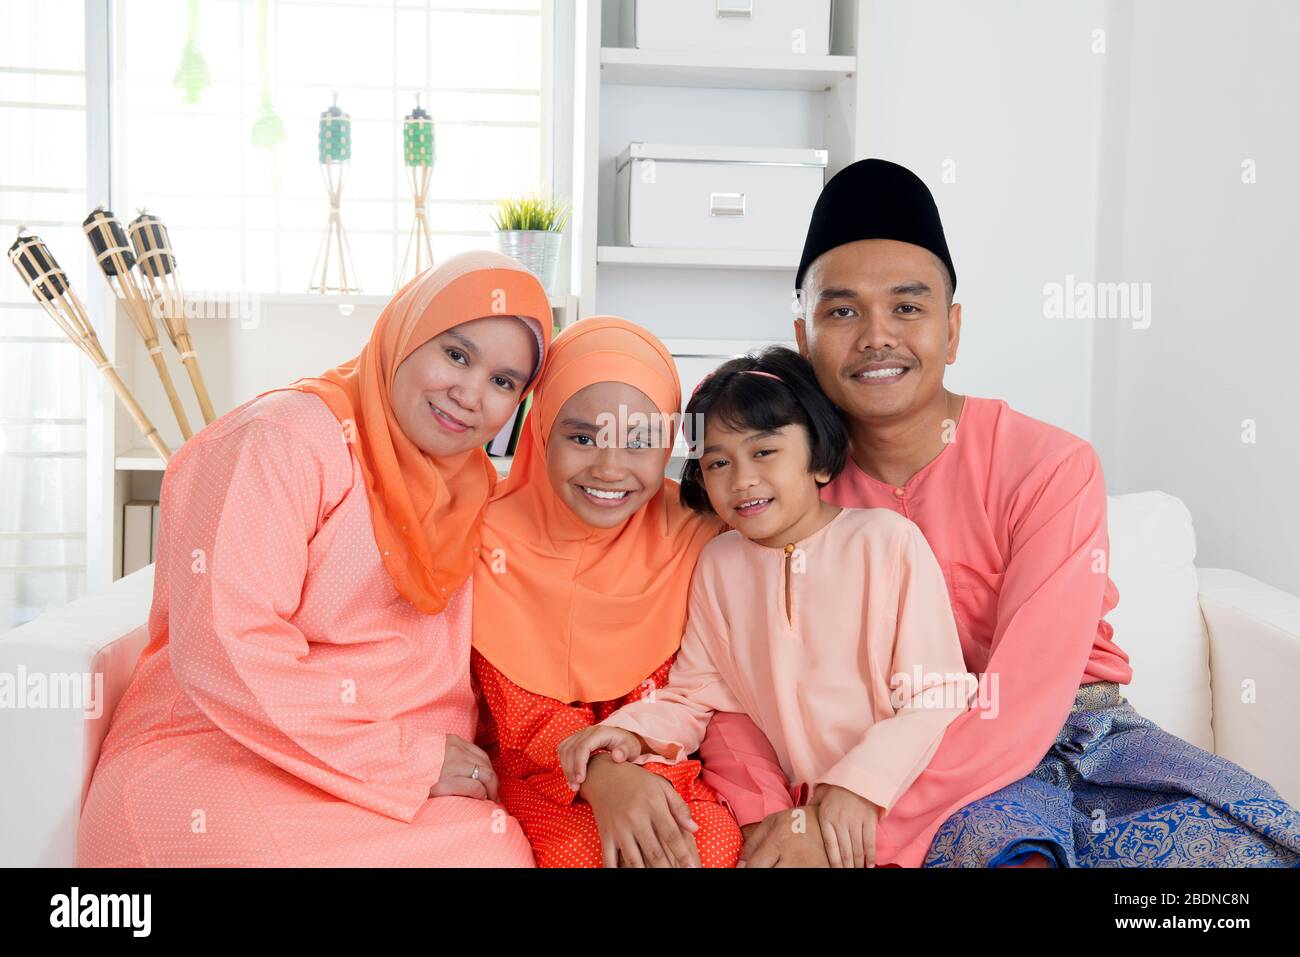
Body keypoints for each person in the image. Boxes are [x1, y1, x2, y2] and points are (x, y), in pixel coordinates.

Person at [701, 158, 1300, 868]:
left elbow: (1024, 695)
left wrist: (849, 837)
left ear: (951, 331)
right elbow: (731, 688)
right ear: (803, 336)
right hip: (896, 755)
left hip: (1083, 740)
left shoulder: (1050, 465)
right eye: (841, 310)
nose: (875, 335)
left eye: (907, 306)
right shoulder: (773, 488)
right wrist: (779, 821)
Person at [78, 251, 551, 867]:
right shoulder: (284, 438)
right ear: (403, 334)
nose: (469, 394)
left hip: (392, 774)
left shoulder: (473, 489)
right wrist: (403, 759)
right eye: (456, 355)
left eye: (503, 382)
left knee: (493, 851)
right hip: (218, 754)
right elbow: (226, 647)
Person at [557, 346, 974, 869]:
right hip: (799, 815)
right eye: (718, 462)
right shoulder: (720, 562)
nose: (741, 479)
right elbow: (698, 695)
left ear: (820, 458)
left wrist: (861, 786)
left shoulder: (886, 542)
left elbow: (936, 696)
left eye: (764, 452)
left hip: (900, 794)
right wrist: (631, 731)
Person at [471, 317, 742, 868]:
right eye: (581, 438)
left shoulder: (699, 529)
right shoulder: (484, 534)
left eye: (639, 441)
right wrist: (600, 771)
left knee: (703, 845)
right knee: (594, 855)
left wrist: (631, 756)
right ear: (541, 428)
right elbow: (515, 716)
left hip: (660, 752)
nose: (610, 467)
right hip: (539, 769)